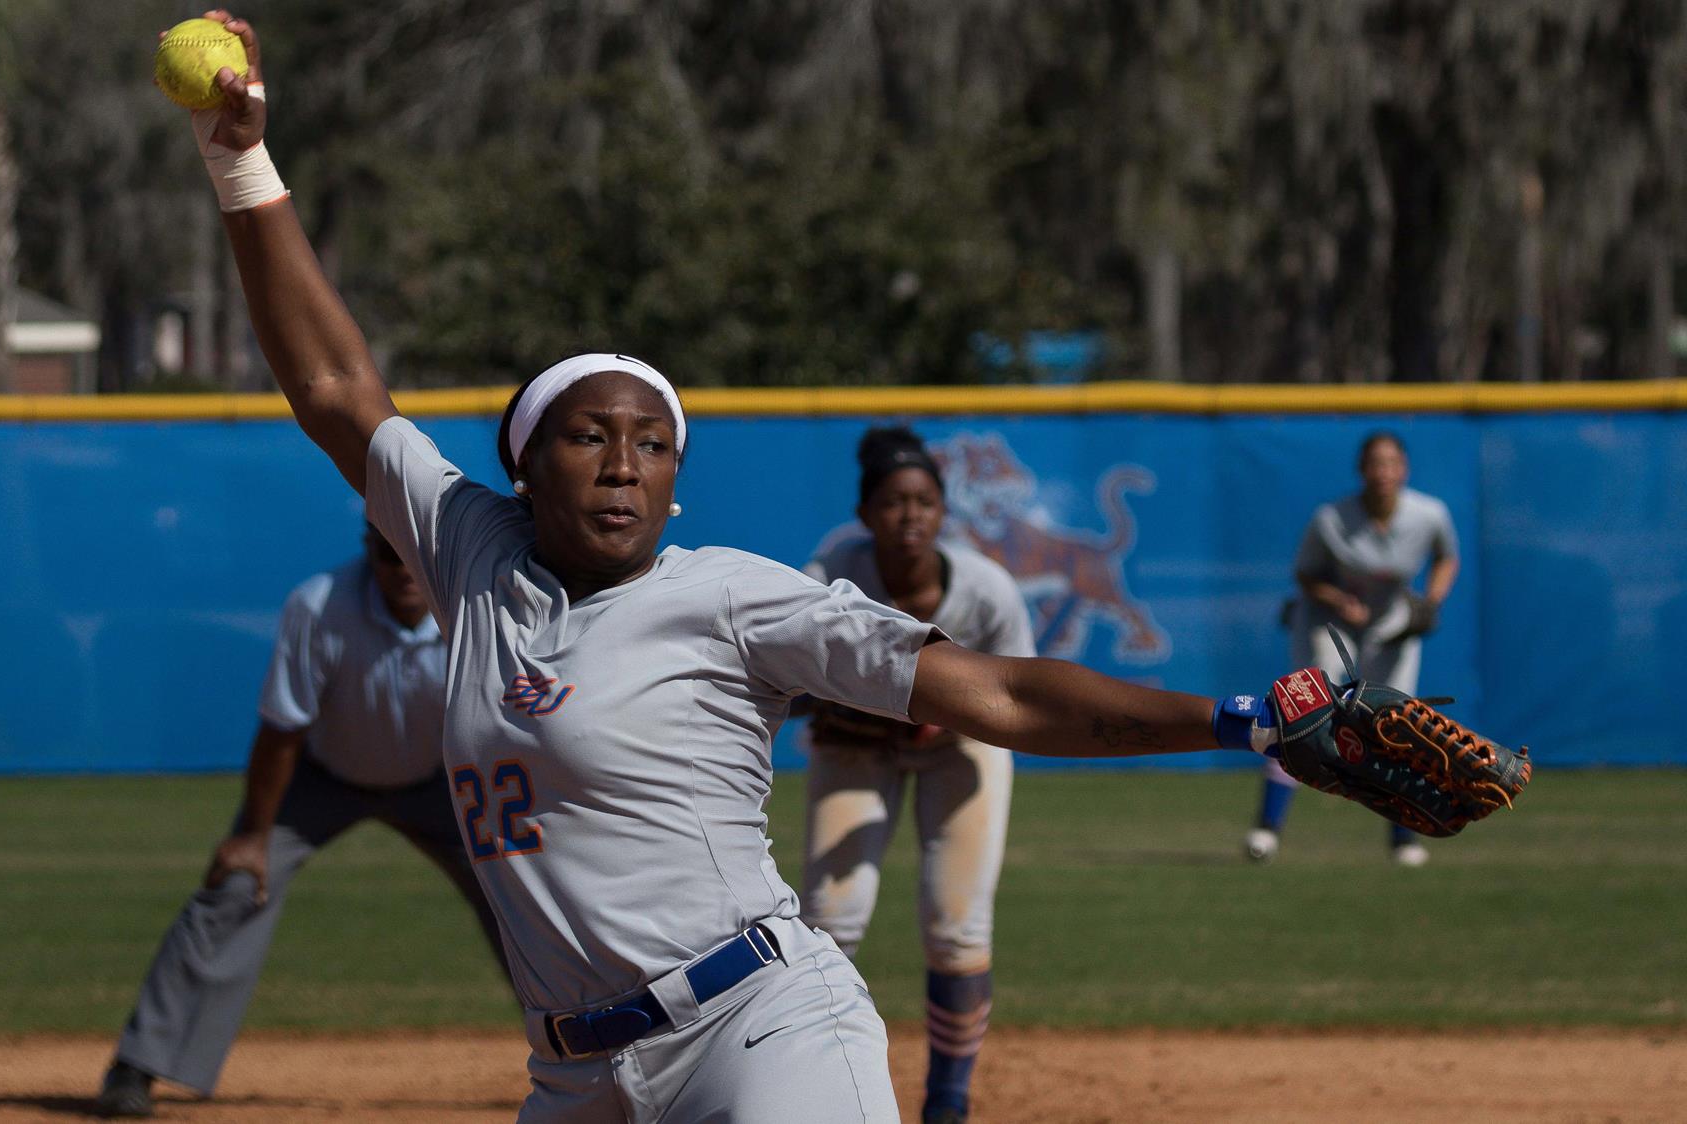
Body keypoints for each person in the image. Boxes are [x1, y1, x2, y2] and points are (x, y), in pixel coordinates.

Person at [181, 14, 1303, 1121]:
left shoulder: (728, 595)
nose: (623, 463)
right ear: (523, 465)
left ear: (675, 480)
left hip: (757, 1033)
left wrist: (1241, 719)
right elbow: (332, 386)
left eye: (652, 443)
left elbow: (1002, 689)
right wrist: (239, 159)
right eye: (587, 435)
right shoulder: (469, 547)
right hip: (572, 1076)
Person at [96, 524, 506, 1118]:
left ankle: (587, 1054)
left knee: (524, 895)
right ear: (368, 551)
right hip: (323, 777)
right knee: (237, 883)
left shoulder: (473, 608)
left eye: (412, 557)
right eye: (388, 555)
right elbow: (282, 729)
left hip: (437, 782)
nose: (401, 570)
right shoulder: (320, 605)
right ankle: (136, 1067)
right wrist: (253, 836)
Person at [799, 426, 1035, 1124]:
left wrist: (946, 716)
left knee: (957, 926)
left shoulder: (985, 590)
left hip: (960, 748)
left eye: (925, 502)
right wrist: (853, 705)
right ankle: (819, 1093)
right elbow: (787, 685)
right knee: (828, 923)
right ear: (866, 514)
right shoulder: (830, 581)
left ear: (944, 513)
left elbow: (1018, 697)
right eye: (895, 502)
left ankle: (947, 1104)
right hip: (857, 749)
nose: (911, 516)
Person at [1244, 431, 1460, 868]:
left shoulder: (1428, 513)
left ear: (1404, 470)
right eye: (1374, 464)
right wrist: (1339, 599)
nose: (1383, 472)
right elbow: (1305, 575)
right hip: (1329, 620)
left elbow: (1447, 556)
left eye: (1391, 463)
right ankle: (1267, 828)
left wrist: (1433, 601)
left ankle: (1404, 839)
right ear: (1362, 471)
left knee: (1397, 723)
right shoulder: (1332, 519)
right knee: (1307, 719)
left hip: (1388, 621)